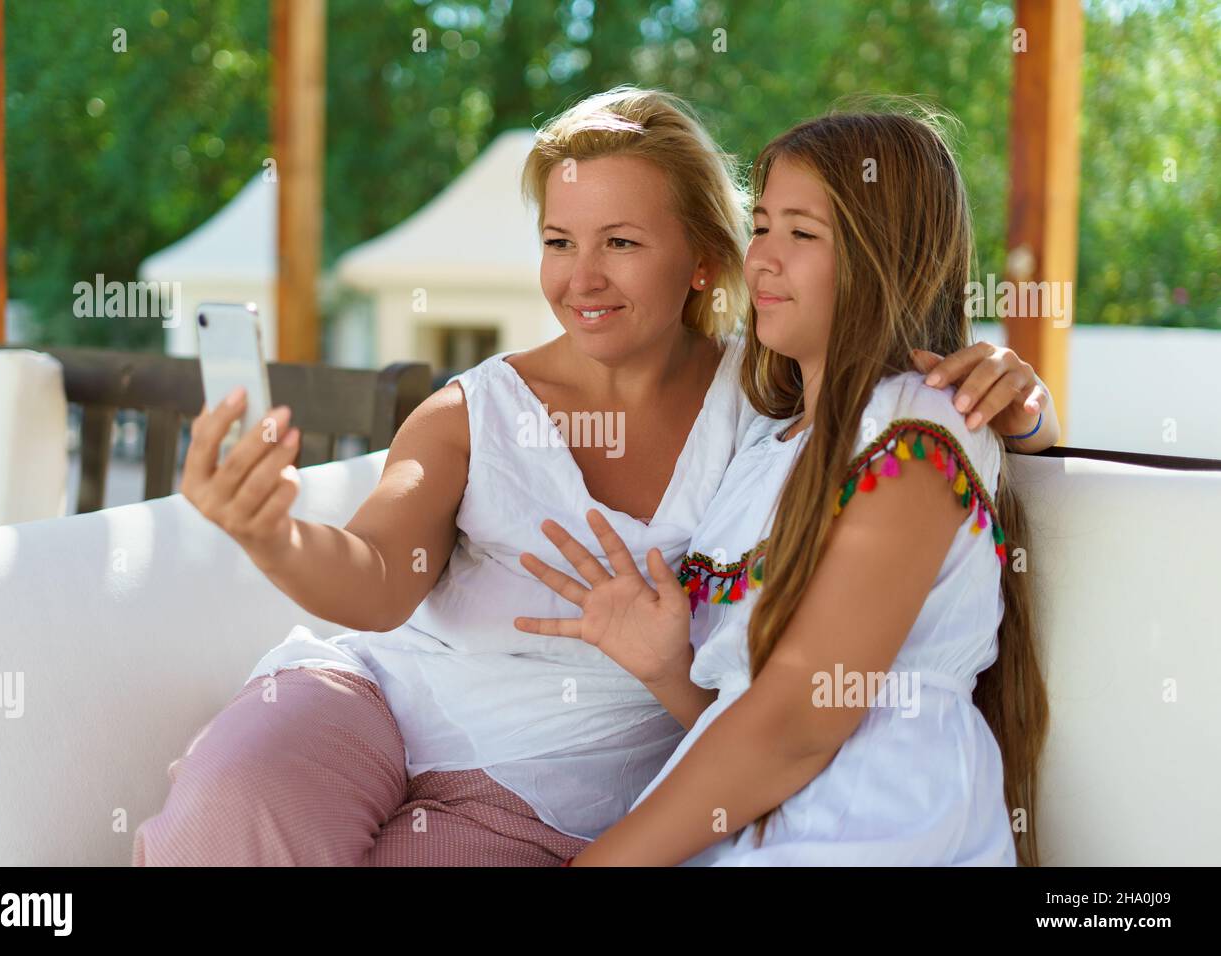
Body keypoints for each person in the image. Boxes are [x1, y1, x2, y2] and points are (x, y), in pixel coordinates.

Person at [134, 89, 1055, 866]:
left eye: (620, 243)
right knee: (236, 813)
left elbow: (908, 424)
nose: (582, 279)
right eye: (558, 241)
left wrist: (1028, 412)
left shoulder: (769, 403)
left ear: (702, 259)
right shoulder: (474, 411)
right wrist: (271, 529)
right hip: (381, 700)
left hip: (559, 783)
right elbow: (372, 580)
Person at [517, 104, 1049, 866]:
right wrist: (670, 666)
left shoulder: (917, 417)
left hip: (873, 824)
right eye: (762, 225)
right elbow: (751, 720)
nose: (762, 256)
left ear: (887, 257)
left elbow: (801, 721)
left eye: (802, 233)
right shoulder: (768, 446)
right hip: (771, 824)